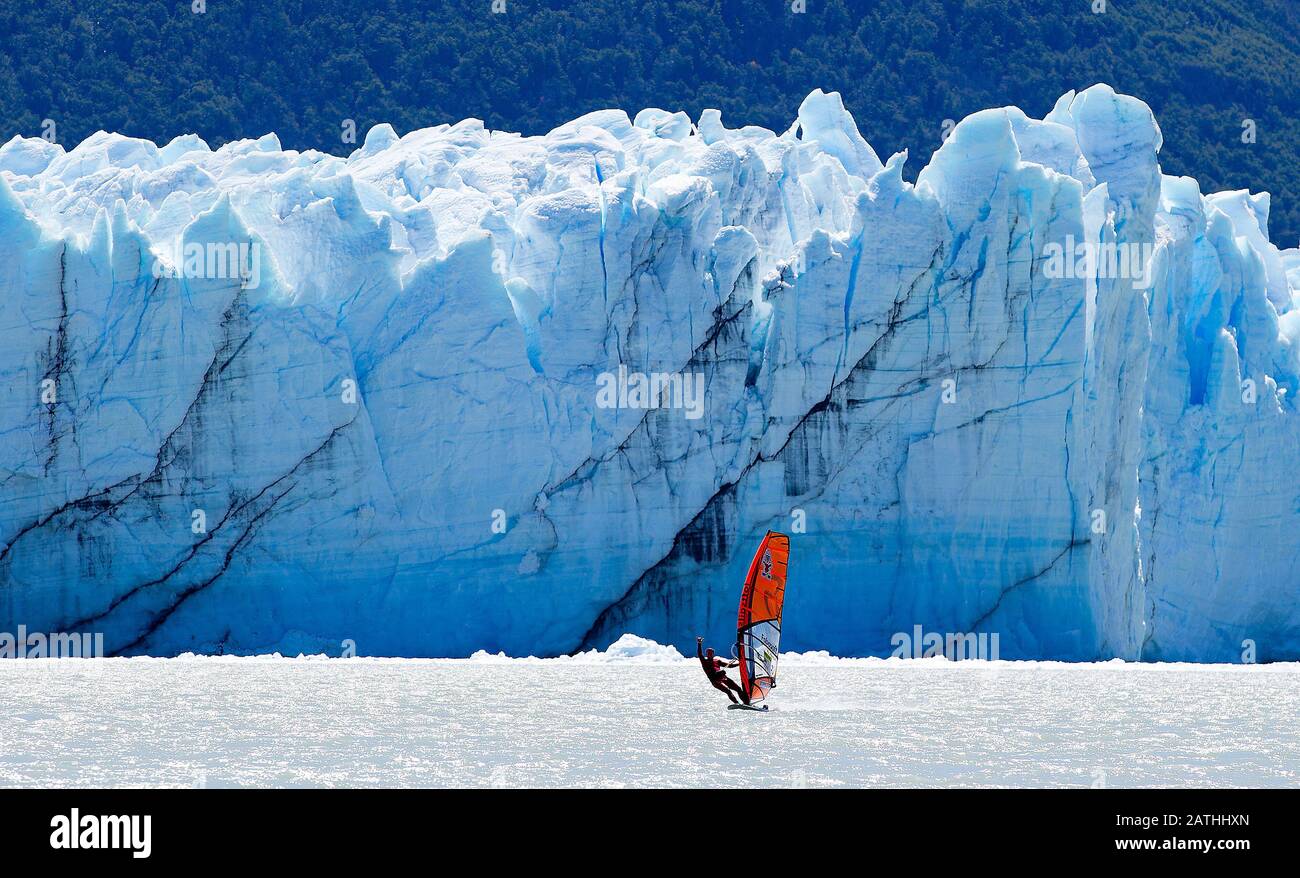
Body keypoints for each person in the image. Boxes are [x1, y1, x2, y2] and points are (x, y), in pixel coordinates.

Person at [696, 636, 749, 705]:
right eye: (709, 653)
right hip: (715, 680)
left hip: (723, 677)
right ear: (707, 654)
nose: (710, 654)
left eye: (711, 653)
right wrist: (699, 643)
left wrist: (739, 664)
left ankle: (746, 702)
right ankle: (736, 703)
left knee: (738, 689)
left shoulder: (717, 661)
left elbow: (729, 665)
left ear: (713, 654)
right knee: (728, 691)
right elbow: (700, 654)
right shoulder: (704, 662)